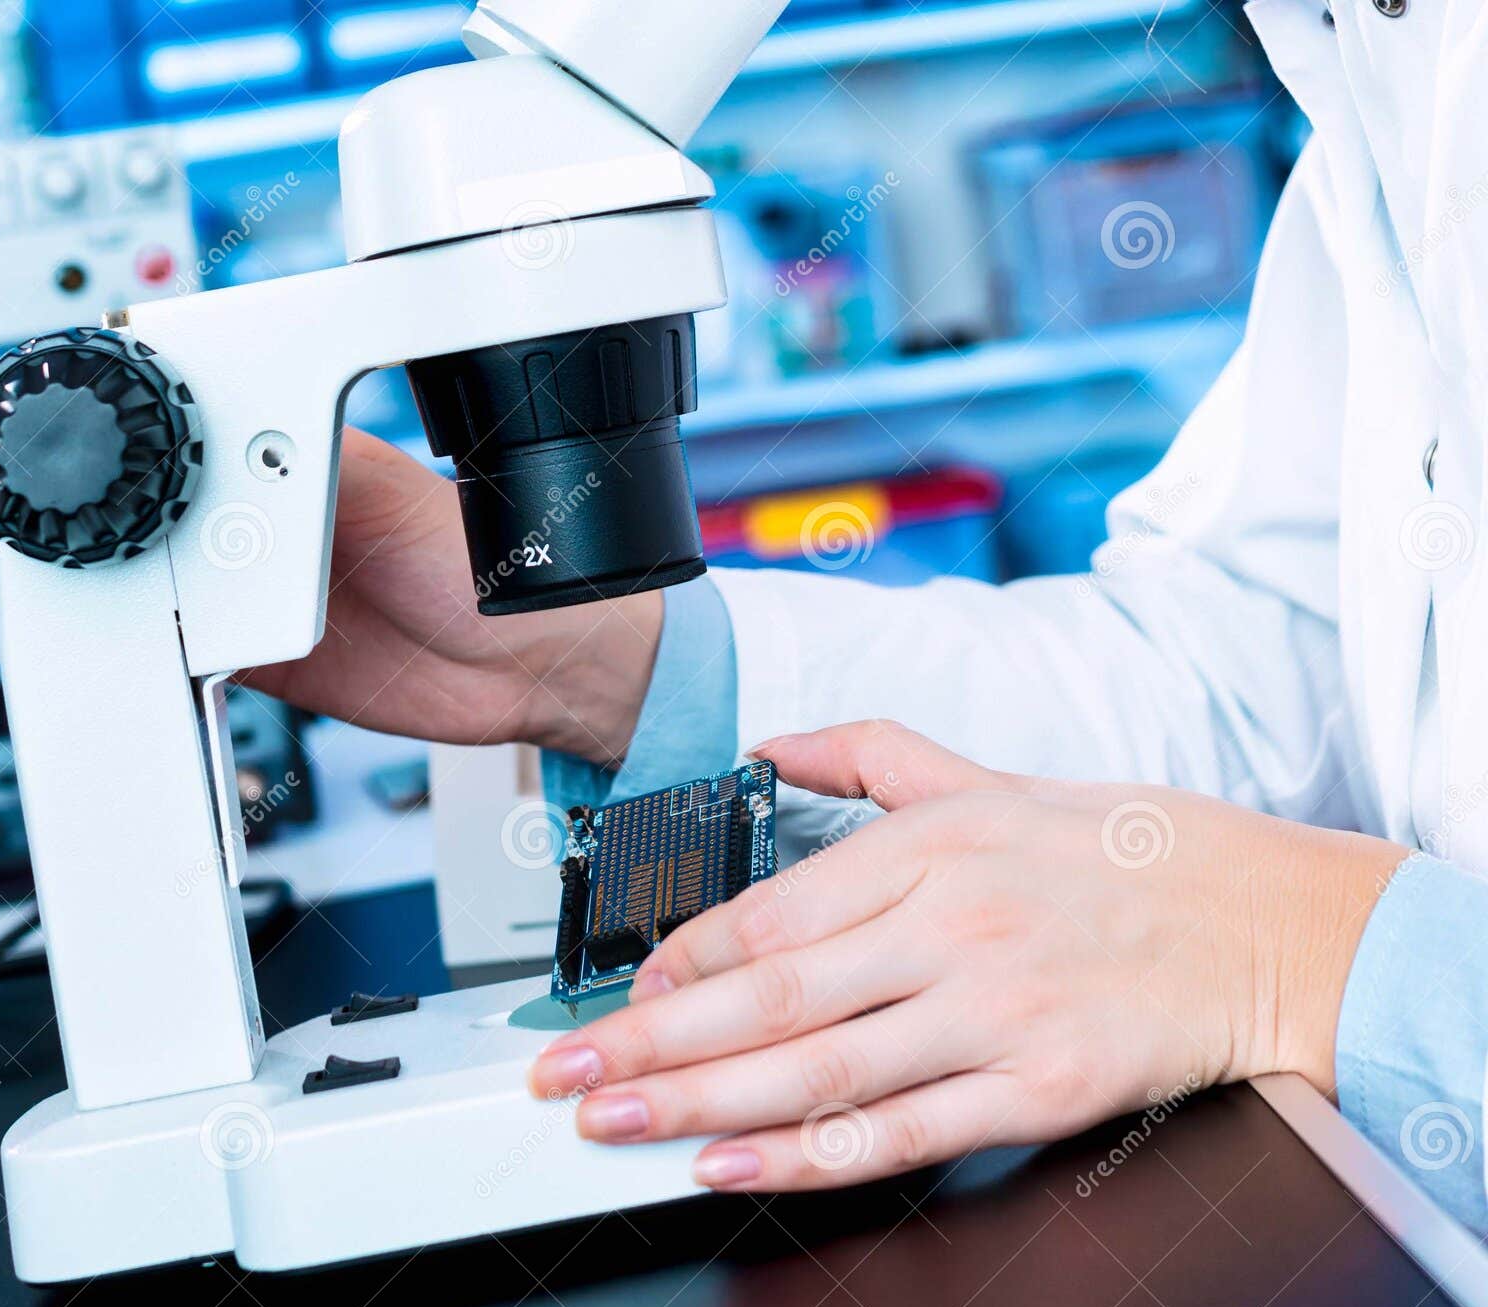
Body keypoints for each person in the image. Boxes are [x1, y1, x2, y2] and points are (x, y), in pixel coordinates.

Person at [250, 0, 1488, 1229]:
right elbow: (1261, 675)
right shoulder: (1388, 59)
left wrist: (1313, 949)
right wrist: (605, 663)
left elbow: (1261, 907)